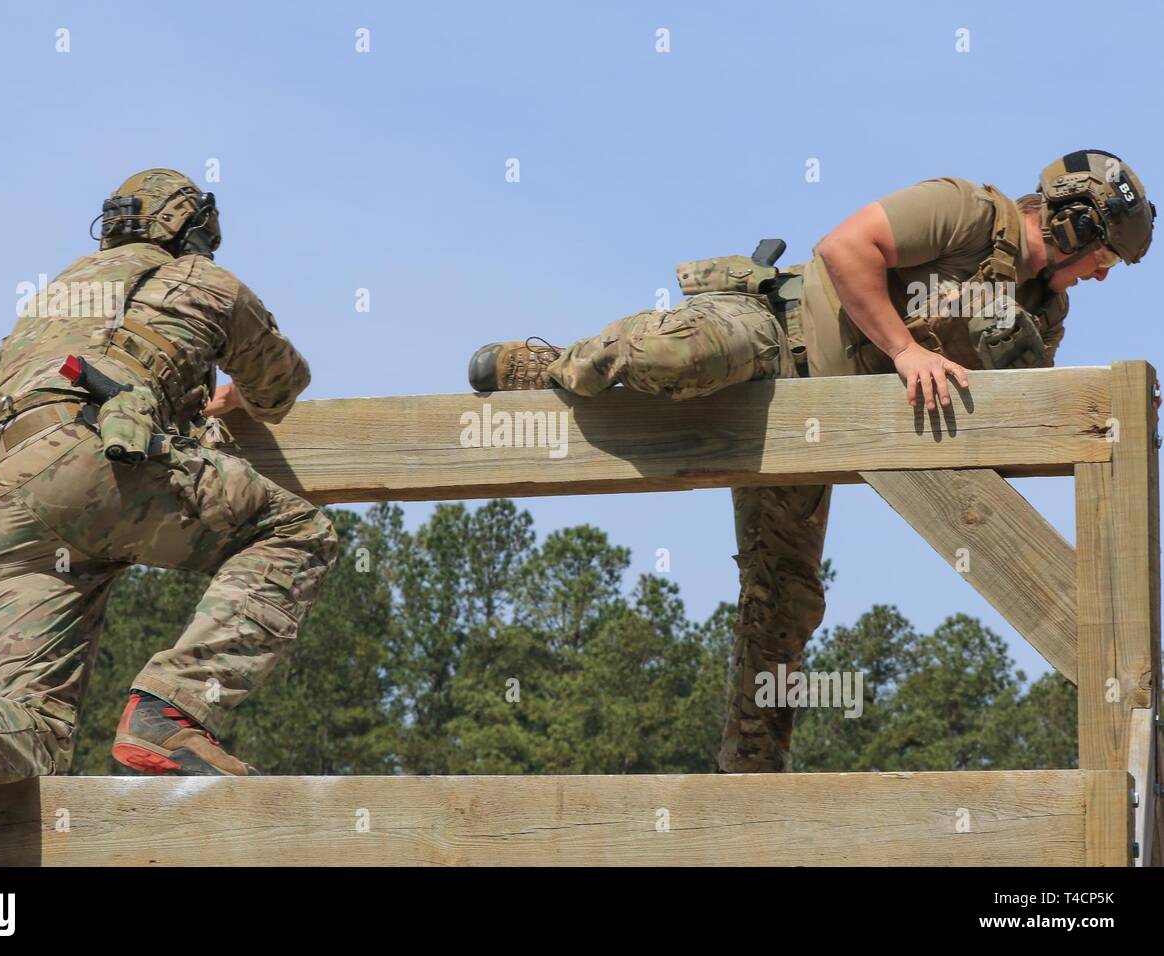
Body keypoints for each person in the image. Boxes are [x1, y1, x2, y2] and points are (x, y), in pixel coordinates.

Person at [467, 150, 1155, 774]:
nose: (1101, 274)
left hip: (823, 429)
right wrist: (906, 350)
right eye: (1105, 257)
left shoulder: (1043, 312)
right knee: (674, 356)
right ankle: (550, 366)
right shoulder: (966, 212)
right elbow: (844, 248)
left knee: (785, 601)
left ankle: (749, 776)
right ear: (1072, 225)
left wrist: (1054, 388)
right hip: (776, 337)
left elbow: (1011, 432)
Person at [0, 169, 338, 862]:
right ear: (188, 227)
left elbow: (0, 371)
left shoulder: (53, 295)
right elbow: (280, 385)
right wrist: (233, 397)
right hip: (97, 459)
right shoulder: (204, 280)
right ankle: (171, 710)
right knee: (298, 532)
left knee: (39, 726)